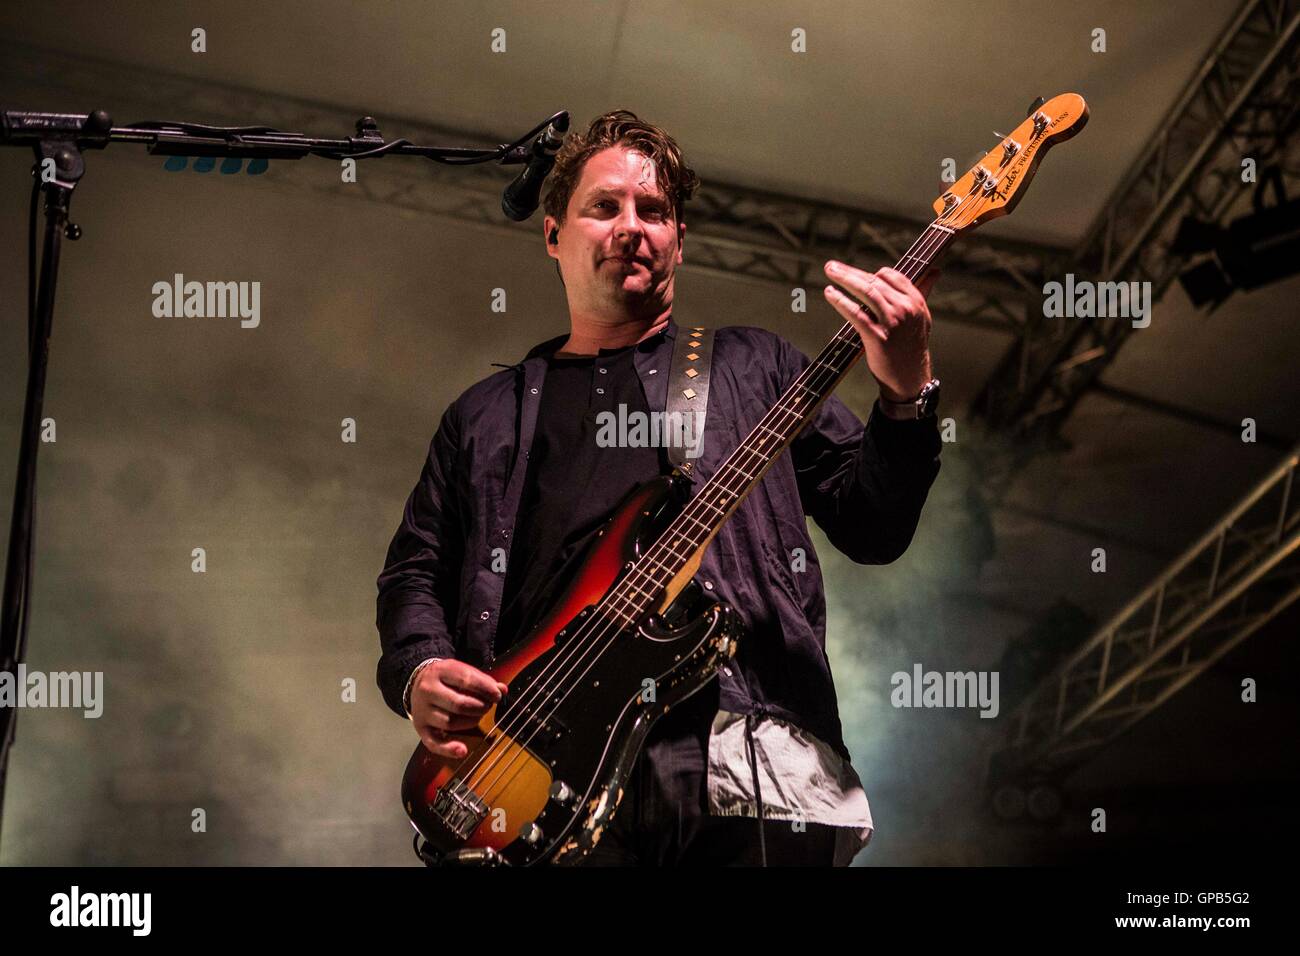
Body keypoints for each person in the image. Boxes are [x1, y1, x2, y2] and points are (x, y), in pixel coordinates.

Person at [376, 109, 943, 866]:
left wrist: (905, 388)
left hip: (738, 755)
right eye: (603, 206)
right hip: (534, 770)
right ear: (554, 234)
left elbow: (874, 527)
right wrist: (419, 668)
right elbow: (417, 569)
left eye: (654, 211)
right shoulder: (485, 417)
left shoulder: (754, 368)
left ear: (680, 240)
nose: (631, 226)